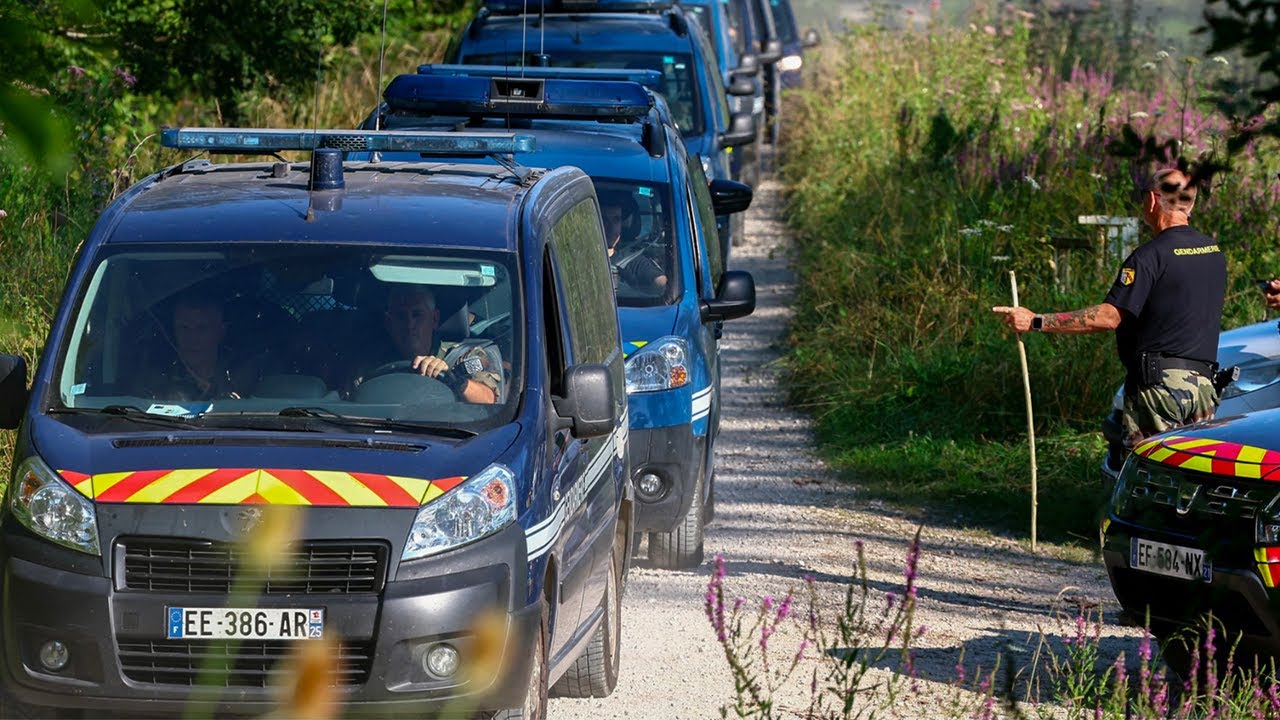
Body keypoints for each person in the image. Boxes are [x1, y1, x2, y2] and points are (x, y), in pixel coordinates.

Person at [992, 168, 1226, 471]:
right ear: (1190, 205)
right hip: (1204, 389)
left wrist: (1036, 321)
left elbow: (1107, 317)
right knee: (1191, 477)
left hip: (1160, 392)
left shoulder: (1149, 257)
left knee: (1147, 476)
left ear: (1152, 201)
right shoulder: (1213, 253)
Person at [351, 284, 503, 404]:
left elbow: (489, 399)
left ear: (434, 319)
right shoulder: (371, 363)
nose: (409, 324)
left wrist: (454, 380)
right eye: (401, 316)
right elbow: (348, 403)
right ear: (389, 323)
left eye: (417, 315)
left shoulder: (465, 356)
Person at [140, 291, 253, 401]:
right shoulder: (154, 381)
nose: (192, 338)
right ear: (174, 331)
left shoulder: (244, 378)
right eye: (184, 328)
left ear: (220, 331)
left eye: (202, 328)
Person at [599, 188, 668, 291]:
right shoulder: (579, 256)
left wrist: (664, 284)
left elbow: (658, 279)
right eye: (605, 220)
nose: (611, 228)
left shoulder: (632, 261)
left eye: (616, 220)